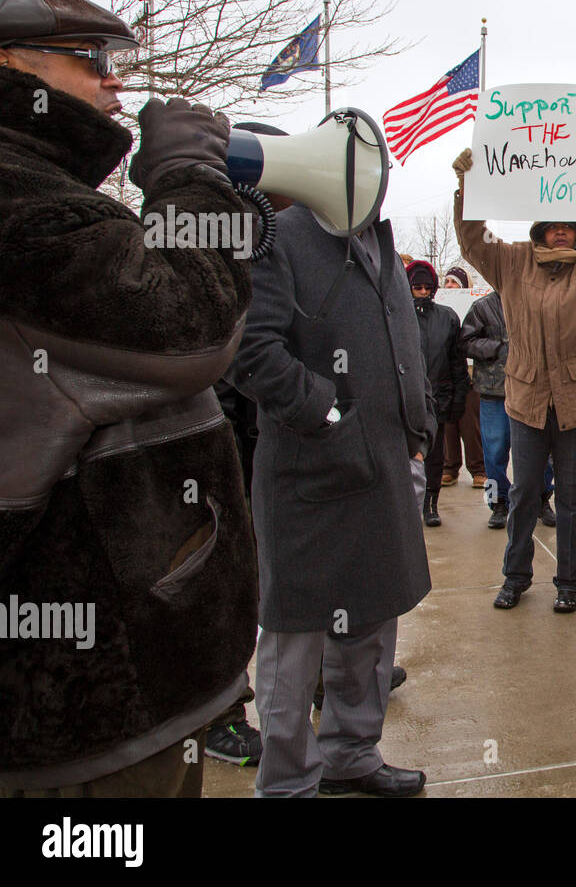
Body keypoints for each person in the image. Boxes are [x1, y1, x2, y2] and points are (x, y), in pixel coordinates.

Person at [0, 0, 258, 796]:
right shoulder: (16, 195)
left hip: (112, 673)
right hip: (88, 694)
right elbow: (189, 329)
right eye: (89, 56)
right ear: (4, 61)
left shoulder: (44, 184)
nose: (115, 78)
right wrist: (187, 178)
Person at [227, 136, 434, 797]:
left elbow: (399, 343)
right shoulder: (275, 234)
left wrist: (415, 425)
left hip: (383, 468)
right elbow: (251, 351)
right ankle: (288, 780)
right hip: (308, 476)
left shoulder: (381, 242)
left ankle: (352, 753)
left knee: (373, 624)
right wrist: (326, 414)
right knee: (296, 639)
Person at [452, 141, 576, 612]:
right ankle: (516, 576)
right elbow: (470, 238)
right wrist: (466, 186)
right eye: (553, 227)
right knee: (523, 493)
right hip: (525, 397)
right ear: (540, 230)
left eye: (570, 227)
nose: (561, 233)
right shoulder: (511, 261)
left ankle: (569, 582)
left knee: (570, 497)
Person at [459, 289, 557, 529]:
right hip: (495, 393)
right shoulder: (482, 306)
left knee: (543, 452)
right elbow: (466, 342)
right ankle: (498, 502)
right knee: (494, 452)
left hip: (533, 393)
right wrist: (500, 347)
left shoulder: (538, 301)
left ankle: (542, 499)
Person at [406, 259, 467, 527]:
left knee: (434, 455)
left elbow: (457, 362)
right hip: (406, 397)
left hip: (438, 397)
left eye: (426, 287)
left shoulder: (448, 317)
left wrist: (458, 398)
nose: (421, 292)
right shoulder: (398, 316)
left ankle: (431, 502)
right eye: (416, 287)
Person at [438, 266, 486, 489]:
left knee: (470, 423)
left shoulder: (475, 309)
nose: (450, 286)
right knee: (448, 422)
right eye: (447, 282)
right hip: (445, 374)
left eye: (455, 282)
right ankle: (449, 467)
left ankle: (478, 469)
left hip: (469, 374)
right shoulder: (438, 309)